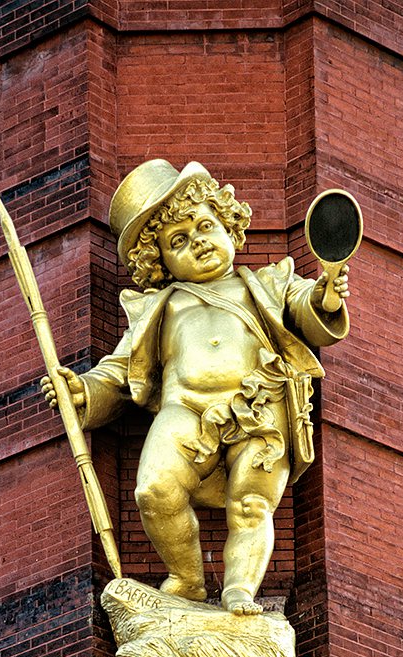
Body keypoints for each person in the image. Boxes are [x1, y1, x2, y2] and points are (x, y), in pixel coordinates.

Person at [41, 159, 350, 615]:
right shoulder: (156, 309)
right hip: (184, 410)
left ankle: (239, 590)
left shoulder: (269, 283)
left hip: (260, 408)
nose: (198, 241)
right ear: (160, 261)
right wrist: (84, 391)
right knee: (154, 490)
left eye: (205, 226)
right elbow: (119, 373)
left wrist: (326, 297)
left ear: (227, 224)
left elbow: (307, 310)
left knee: (251, 503)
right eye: (178, 240)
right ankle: (187, 579)